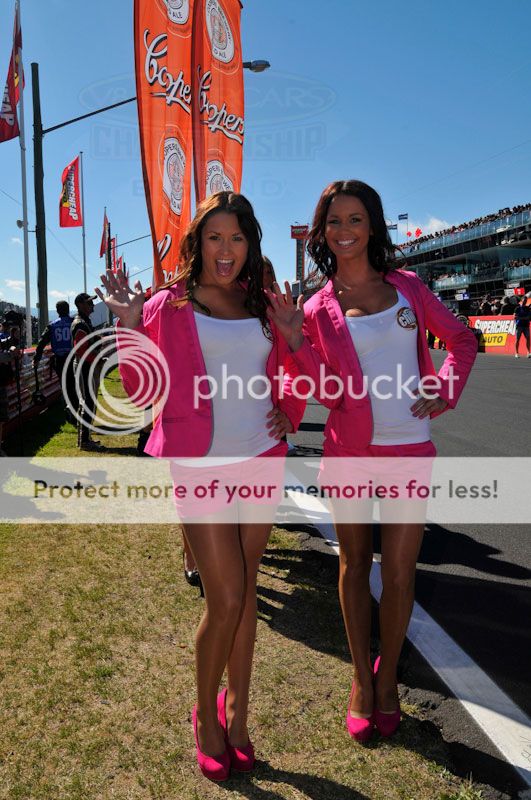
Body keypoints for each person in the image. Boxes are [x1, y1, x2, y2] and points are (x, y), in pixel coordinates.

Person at [96, 192, 305, 781]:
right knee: (229, 598)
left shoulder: (263, 305)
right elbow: (141, 391)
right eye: (214, 237)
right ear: (197, 243)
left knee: (245, 597)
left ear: (250, 244)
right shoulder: (168, 304)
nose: (226, 250)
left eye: (236, 238)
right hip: (198, 464)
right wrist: (129, 325)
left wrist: (292, 359)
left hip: (262, 458)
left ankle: (237, 717)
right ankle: (206, 719)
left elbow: (297, 378)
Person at [266, 179, 477, 741]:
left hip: (410, 450)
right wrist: (294, 339)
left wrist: (446, 388)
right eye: (334, 222)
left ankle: (388, 686)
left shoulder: (409, 287)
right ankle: (363, 678)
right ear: (322, 232)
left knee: (402, 572)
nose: (344, 232)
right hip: (350, 454)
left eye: (355, 220)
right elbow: (323, 391)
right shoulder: (315, 308)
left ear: (373, 225)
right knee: (355, 567)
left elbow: (461, 340)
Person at [71, 293, 104, 450]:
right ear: (80, 305)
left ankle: (85, 438)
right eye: (89, 303)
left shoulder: (85, 322)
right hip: (85, 367)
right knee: (88, 403)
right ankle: (84, 441)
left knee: (88, 402)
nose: (92, 306)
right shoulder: (80, 323)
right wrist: (97, 358)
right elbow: (81, 350)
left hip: (87, 366)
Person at [33, 300, 75, 420]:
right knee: (74, 383)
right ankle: (74, 407)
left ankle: (68, 405)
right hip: (72, 358)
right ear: (68, 309)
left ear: (57, 311)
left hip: (59, 360)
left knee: (64, 384)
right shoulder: (73, 323)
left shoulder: (52, 325)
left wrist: (36, 358)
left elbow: (41, 343)